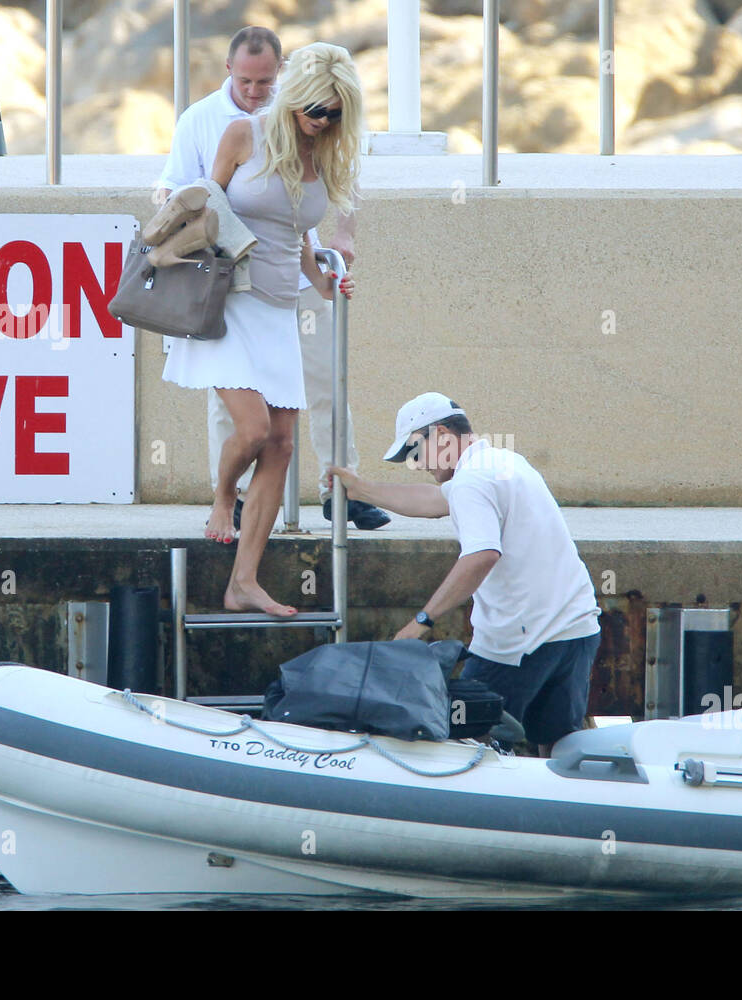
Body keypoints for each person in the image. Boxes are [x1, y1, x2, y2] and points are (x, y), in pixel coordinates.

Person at [156, 26, 389, 539]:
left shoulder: (320, 140)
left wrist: (328, 275)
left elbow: (312, 216)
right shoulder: (212, 123)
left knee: (312, 400)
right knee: (245, 419)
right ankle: (227, 499)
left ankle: (338, 492)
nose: (256, 91)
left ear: (281, 74)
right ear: (228, 69)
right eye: (246, 80)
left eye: (266, 81)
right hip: (232, 291)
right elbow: (193, 196)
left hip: (289, 290)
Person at [325, 393, 602, 753]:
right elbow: (433, 501)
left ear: (439, 434)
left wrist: (422, 621)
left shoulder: (473, 480)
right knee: (556, 749)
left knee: (461, 743)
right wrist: (361, 489)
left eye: (414, 452)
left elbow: (481, 555)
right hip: (577, 629)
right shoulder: (504, 462)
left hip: (518, 642)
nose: (418, 464)